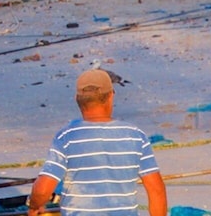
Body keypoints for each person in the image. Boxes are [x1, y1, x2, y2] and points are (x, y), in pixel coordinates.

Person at [27, 68, 167, 216]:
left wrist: (34, 205)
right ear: (111, 96)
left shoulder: (66, 137)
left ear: (77, 99)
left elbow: (43, 189)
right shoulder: (135, 136)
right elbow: (156, 190)